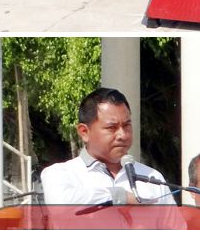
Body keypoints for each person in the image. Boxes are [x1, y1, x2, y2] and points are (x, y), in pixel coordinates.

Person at [40, 88, 173, 205]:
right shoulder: (61, 174)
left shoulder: (152, 178)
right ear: (84, 132)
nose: (122, 135)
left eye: (126, 125)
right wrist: (121, 197)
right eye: (112, 127)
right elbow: (61, 204)